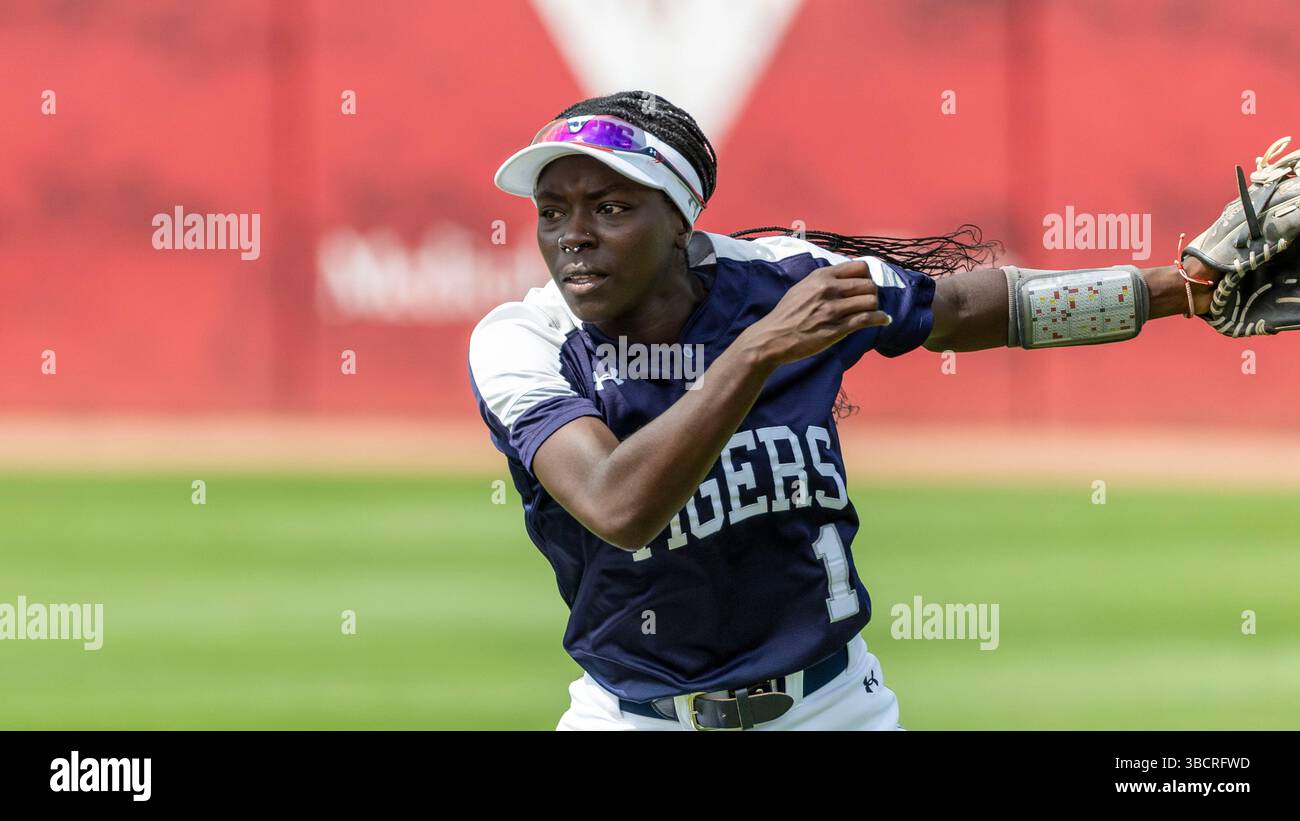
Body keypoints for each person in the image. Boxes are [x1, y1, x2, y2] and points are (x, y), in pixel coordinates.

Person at [467, 90, 1224, 730]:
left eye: (609, 206)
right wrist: (759, 352)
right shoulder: (523, 342)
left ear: (680, 222)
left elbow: (961, 306)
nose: (574, 237)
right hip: (631, 714)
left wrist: (1179, 291)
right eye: (551, 211)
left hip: (830, 708)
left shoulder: (783, 281)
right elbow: (617, 502)